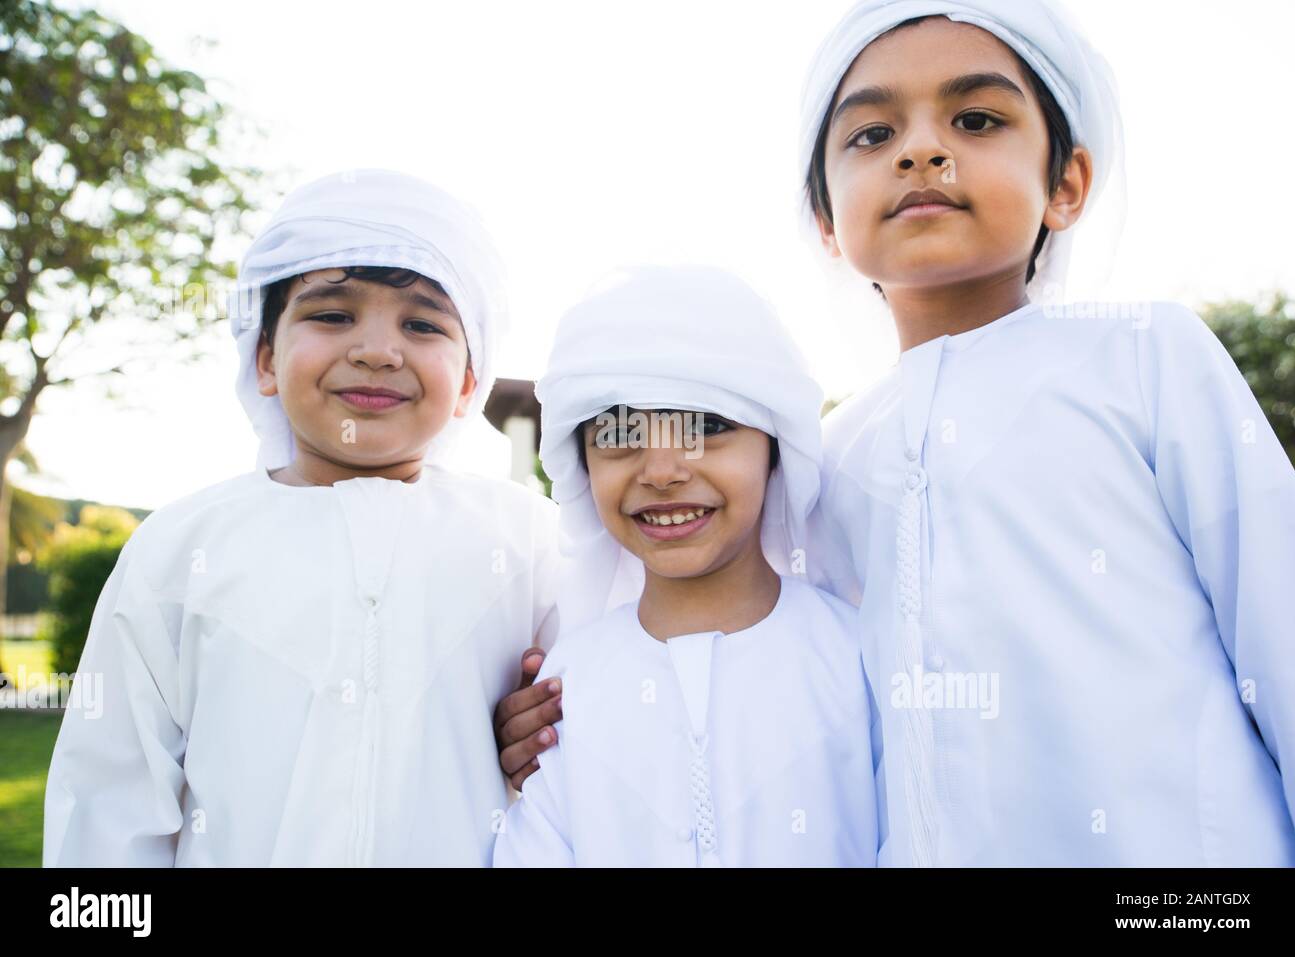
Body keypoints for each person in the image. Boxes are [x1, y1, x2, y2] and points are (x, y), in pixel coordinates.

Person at [799, 0, 1295, 865]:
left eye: (976, 119)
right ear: (825, 222)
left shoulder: (1144, 355)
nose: (921, 149)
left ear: (1064, 185)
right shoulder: (829, 457)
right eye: (872, 136)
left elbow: (1281, 617)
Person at [43, 169, 559, 867]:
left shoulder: (531, 541)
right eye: (333, 314)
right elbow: (106, 805)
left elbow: (613, 732)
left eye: (422, 323)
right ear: (264, 357)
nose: (377, 349)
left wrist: (551, 727)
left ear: (469, 380)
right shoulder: (180, 548)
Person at [493, 267, 879, 866]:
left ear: (776, 451)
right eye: (619, 434)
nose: (663, 471)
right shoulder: (566, 680)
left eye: (706, 426)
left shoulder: (862, 658)